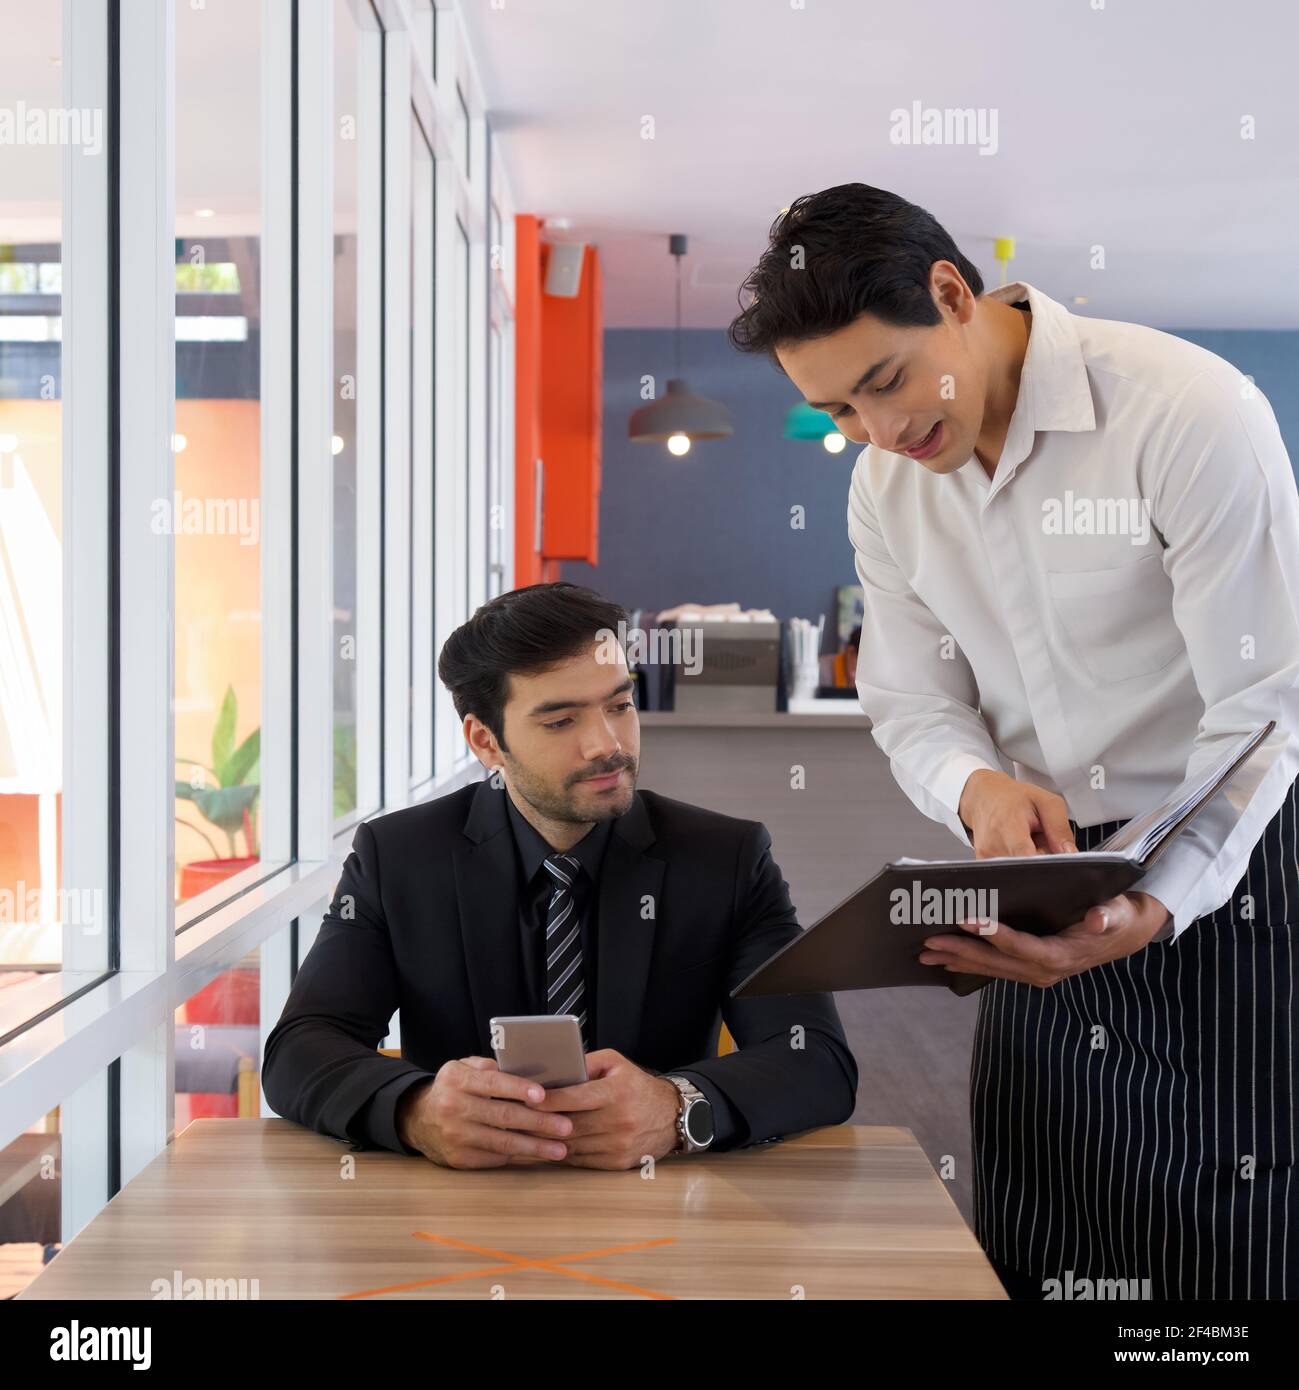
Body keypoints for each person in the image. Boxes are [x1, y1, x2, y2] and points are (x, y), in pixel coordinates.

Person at [729, 182, 1299, 1299]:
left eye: (886, 381)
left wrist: (1160, 894)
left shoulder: (1187, 410)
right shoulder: (886, 491)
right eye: (842, 412)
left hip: (1229, 866)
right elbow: (910, 700)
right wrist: (978, 787)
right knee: (1047, 1224)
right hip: (1038, 875)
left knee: (1237, 1244)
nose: (880, 433)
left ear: (952, 292)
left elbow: (1266, 705)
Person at [263, 581, 857, 1170]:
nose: (606, 744)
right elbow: (301, 1047)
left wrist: (677, 1109)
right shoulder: (397, 858)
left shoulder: (726, 858)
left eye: (620, 706)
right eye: (560, 721)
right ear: (486, 741)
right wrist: (415, 1111)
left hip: (665, 1212)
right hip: (457, 1212)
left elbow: (817, 1058)